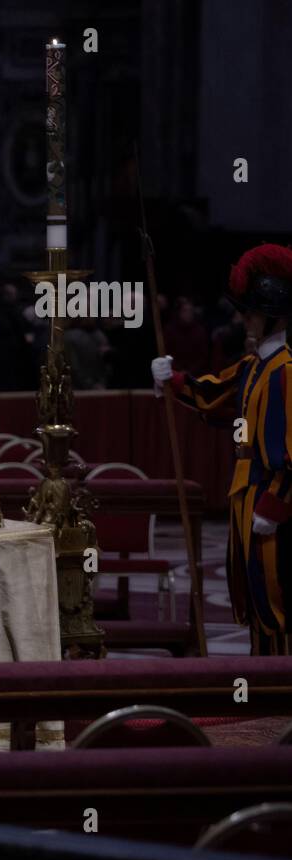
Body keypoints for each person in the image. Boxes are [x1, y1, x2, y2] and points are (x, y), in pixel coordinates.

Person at [151, 243, 292, 655]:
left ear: (270, 316)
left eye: (249, 312)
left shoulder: (284, 372)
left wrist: (275, 504)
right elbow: (211, 396)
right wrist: (172, 380)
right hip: (244, 492)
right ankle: (264, 686)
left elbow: (289, 454)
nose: (243, 319)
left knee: (274, 596)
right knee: (250, 592)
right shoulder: (253, 366)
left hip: (267, 496)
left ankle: (279, 691)